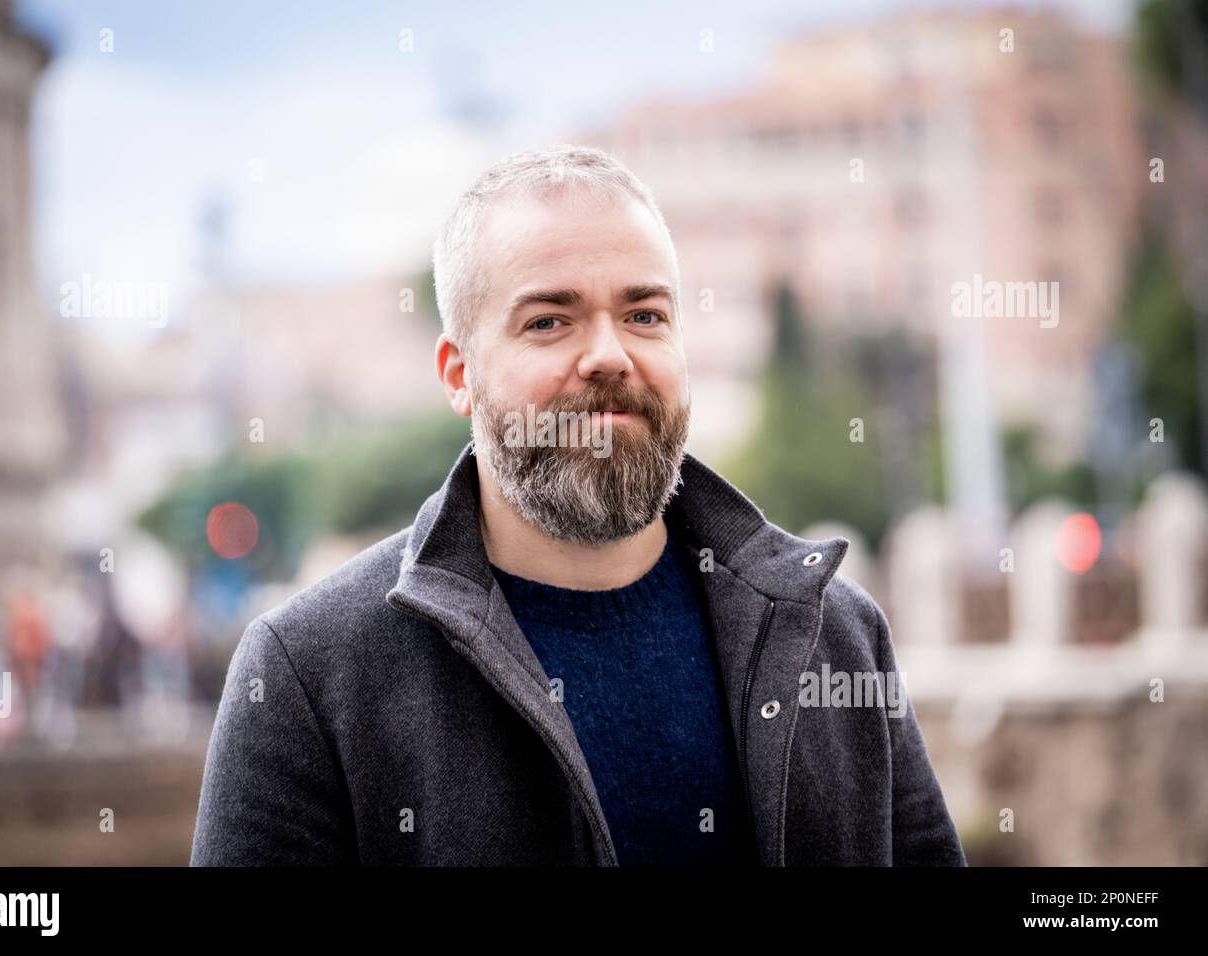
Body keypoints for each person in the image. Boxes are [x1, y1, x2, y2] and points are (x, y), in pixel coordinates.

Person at [190, 144, 966, 866]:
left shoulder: (835, 633)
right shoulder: (309, 675)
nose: (607, 354)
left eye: (645, 315)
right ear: (458, 373)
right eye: (549, 321)